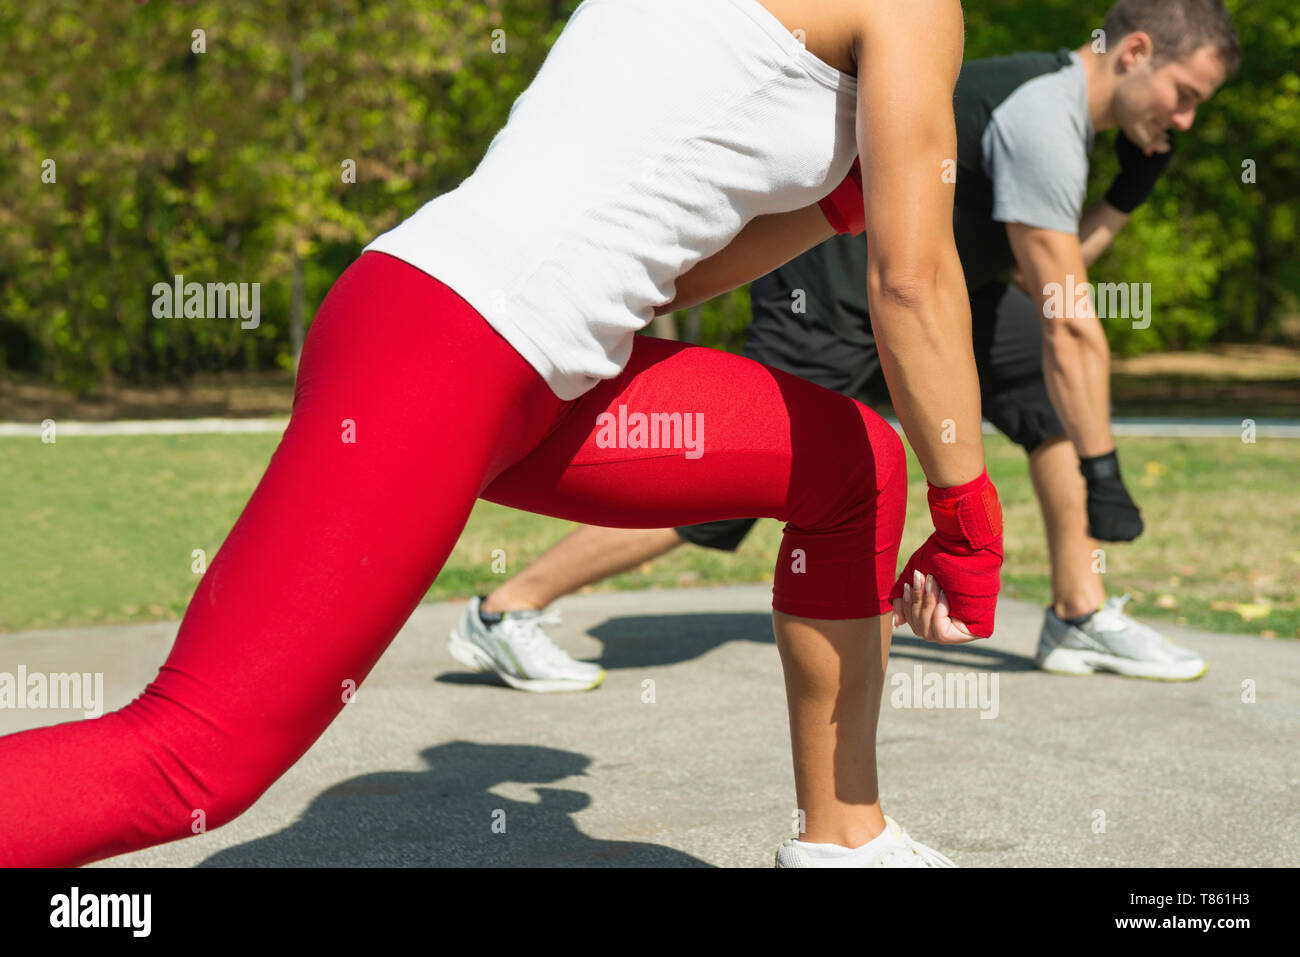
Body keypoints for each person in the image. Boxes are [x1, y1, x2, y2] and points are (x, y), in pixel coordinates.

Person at [0, 0, 995, 868]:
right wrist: (966, 509)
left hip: (528, 361)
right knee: (190, 761)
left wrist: (830, 204)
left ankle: (845, 840)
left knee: (848, 461)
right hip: (443, 347)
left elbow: (672, 271)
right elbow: (913, 281)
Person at [453, 0, 1238, 691]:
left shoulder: (1060, 112)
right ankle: (504, 608)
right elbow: (1067, 308)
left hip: (933, 288)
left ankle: (1078, 613)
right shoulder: (1046, 118)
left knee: (1038, 393)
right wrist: (1106, 472)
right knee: (729, 472)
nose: (1185, 120)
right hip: (834, 286)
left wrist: (1128, 194)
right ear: (1134, 52)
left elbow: (1049, 275)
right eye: (1185, 96)